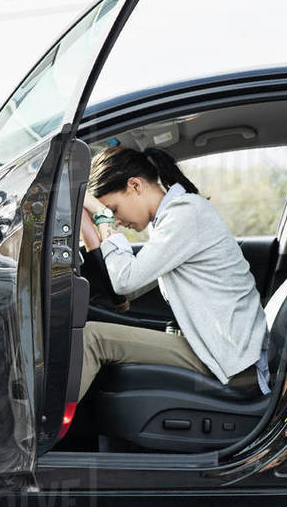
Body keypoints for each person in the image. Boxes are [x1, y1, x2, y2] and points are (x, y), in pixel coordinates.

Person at [77, 145, 271, 401]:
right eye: (109, 215)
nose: (117, 221)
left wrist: (102, 220)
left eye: (113, 210)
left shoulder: (185, 214)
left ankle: (38, 434)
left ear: (135, 186)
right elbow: (131, 288)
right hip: (221, 350)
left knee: (94, 338)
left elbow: (125, 281)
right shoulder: (176, 217)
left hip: (230, 363)